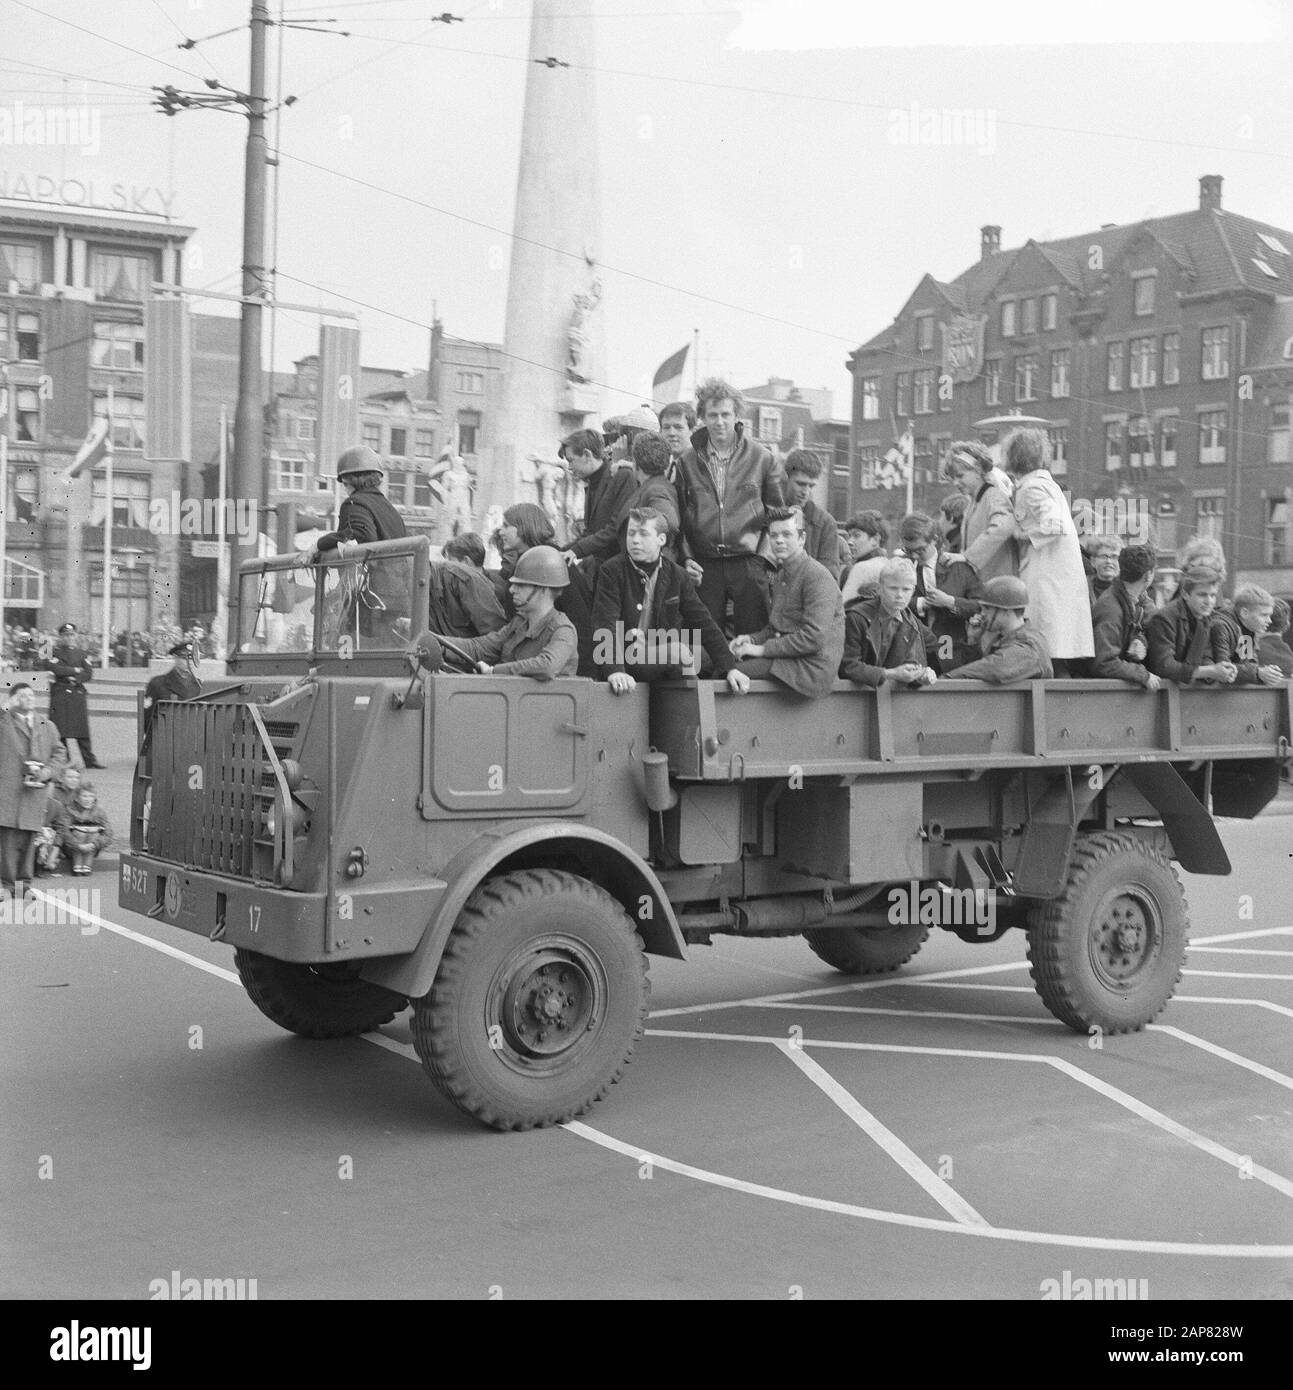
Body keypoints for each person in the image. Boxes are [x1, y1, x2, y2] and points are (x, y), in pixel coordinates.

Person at [591, 508, 747, 694]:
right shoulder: (612, 571)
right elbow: (604, 624)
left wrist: (730, 668)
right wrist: (614, 671)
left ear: (661, 540)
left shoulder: (677, 575)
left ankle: (705, 708)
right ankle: (700, 715)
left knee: (720, 658)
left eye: (643, 534)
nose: (635, 540)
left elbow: (704, 622)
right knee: (679, 653)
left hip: (659, 652)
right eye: (631, 533)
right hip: (627, 657)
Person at [673, 378, 786, 633]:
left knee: (754, 635)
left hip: (748, 561)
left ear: (737, 416)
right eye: (712, 415)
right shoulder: (686, 462)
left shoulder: (762, 458)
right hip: (705, 563)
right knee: (704, 640)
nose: (719, 421)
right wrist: (688, 558)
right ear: (702, 417)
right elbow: (680, 517)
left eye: (726, 414)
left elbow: (777, 514)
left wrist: (763, 560)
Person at [1001, 428, 1093, 676]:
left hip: (1046, 578)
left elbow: (1056, 525)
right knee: (1054, 650)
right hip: (1057, 579)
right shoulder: (1045, 484)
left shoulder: (1031, 488)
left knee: (1047, 649)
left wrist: (1022, 535)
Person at [728, 506, 844, 698]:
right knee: (721, 662)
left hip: (810, 668)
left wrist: (761, 649)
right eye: (774, 536)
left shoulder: (817, 576)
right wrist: (751, 639)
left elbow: (814, 637)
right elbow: (778, 628)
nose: (779, 540)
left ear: (802, 539)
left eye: (787, 534)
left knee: (730, 672)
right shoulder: (783, 574)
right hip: (789, 659)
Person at [425, 545, 578, 681]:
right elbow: (479, 647)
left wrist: (494, 671)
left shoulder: (563, 630)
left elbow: (546, 666)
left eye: (521, 586)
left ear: (543, 590)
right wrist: (430, 640)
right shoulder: (519, 624)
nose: (512, 590)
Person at [0, 682, 66, 894]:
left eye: (30, 695)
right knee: (8, 843)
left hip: (35, 792)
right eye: (21, 696)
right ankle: (7, 885)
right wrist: (5, 708)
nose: (28, 698)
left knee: (29, 842)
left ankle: (24, 886)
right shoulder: (4, 722)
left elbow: (59, 753)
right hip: (8, 792)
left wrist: (47, 772)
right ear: (12, 700)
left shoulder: (47, 725)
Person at [898, 511, 982, 673]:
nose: (914, 555)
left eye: (920, 549)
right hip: (913, 652)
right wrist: (919, 603)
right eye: (909, 550)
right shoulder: (900, 566)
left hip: (952, 649)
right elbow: (887, 599)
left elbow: (980, 606)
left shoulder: (958, 567)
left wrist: (950, 601)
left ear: (934, 540)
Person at [840, 557, 934, 689]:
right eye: (893, 588)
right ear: (880, 588)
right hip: (849, 696)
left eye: (906, 589)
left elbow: (909, 663)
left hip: (885, 697)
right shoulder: (856, 617)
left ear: (913, 591)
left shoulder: (910, 622)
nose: (900, 595)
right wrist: (890, 673)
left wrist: (919, 675)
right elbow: (847, 666)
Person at [944, 575, 1054, 683]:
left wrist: (944, 681)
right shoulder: (1006, 639)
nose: (982, 614)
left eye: (986, 609)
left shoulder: (1028, 645)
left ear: (1006, 611)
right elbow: (977, 678)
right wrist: (973, 640)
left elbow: (993, 669)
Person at [1144, 562, 1235, 685]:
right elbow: (1164, 666)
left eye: (1213, 595)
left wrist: (1221, 670)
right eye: (1202, 595)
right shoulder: (1164, 619)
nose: (1209, 601)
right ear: (1185, 594)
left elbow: (1204, 655)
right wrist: (1210, 671)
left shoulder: (1205, 618)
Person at [559, 427, 637, 568]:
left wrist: (575, 550)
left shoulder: (622, 476)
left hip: (622, 569)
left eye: (571, 460)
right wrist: (560, 551)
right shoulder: (593, 481)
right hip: (603, 566)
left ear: (587, 455)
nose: (569, 467)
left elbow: (615, 528)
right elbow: (591, 532)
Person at [1089, 543, 1161, 689]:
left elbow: (1151, 622)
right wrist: (1143, 675)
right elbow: (1104, 662)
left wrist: (1140, 640)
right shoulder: (1110, 608)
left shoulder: (1136, 599)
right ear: (1148, 575)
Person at [944, 440, 1017, 584]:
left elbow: (1003, 526)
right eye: (952, 478)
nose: (955, 482)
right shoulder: (974, 501)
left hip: (998, 584)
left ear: (978, 470)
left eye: (960, 476)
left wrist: (968, 557)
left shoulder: (993, 495)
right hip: (982, 583)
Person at [45, 623, 103, 769]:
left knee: (82, 729)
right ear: (61, 637)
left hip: (77, 692)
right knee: (60, 729)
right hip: (60, 693)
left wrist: (76, 678)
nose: (69, 638)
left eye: (72, 635)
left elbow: (88, 673)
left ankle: (89, 759)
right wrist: (75, 670)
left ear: (75, 636)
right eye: (66, 635)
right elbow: (54, 668)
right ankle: (65, 759)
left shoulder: (82, 653)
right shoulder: (54, 652)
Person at [428, 532, 507, 639]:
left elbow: (494, 636)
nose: (447, 567)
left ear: (466, 561)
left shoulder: (496, 589)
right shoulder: (451, 584)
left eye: (451, 562)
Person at [782, 449, 842, 581]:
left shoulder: (825, 523)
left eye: (811, 486)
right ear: (786, 478)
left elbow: (829, 576)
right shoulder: (768, 513)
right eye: (801, 484)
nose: (806, 492)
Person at [1214, 584, 1290, 686]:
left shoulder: (1248, 629)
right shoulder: (1221, 626)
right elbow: (1223, 669)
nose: (1269, 621)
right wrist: (1258, 673)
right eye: (1264, 615)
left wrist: (1265, 672)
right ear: (1244, 613)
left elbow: (1247, 662)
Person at [141, 640, 203, 764]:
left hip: (191, 743)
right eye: (185, 657)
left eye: (192, 658)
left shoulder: (199, 685)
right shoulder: (158, 683)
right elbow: (147, 717)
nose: (189, 661)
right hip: (165, 742)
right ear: (175, 658)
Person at [626, 433, 681, 543]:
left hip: (648, 557)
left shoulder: (656, 490)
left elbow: (671, 524)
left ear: (636, 463)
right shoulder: (655, 484)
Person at [35, 764, 82, 875]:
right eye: (70, 777)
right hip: (58, 834)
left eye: (77, 778)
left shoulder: (83, 794)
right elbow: (59, 826)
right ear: (61, 779)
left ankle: (81, 865)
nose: (74, 780)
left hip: (71, 834)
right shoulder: (54, 795)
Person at [55, 783, 112, 875]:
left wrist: (95, 844)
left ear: (94, 798)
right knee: (80, 833)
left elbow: (108, 832)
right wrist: (78, 845)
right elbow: (63, 830)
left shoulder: (100, 812)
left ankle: (87, 865)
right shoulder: (69, 810)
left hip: (92, 846)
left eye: (91, 796)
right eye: (84, 796)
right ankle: (77, 865)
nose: (88, 799)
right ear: (77, 798)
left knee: (93, 832)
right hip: (72, 847)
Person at [839, 511, 890, 603]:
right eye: (849, 536)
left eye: (856, 535)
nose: (849, 541)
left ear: (875, 539)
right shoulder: (889, 565)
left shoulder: (862, 568)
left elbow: (843, 606)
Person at [657, 401, 696, 471]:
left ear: (693, 432)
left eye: (678, 427)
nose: (671, 433)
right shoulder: (668, 468)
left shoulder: (700, 469)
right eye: (666, 427)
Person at [1087, 535, 1123, 608]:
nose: (1108, 561)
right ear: (1093, 561)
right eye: (1103, 556)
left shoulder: (1130, 587)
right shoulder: (1084, 587)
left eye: (1114, 557)